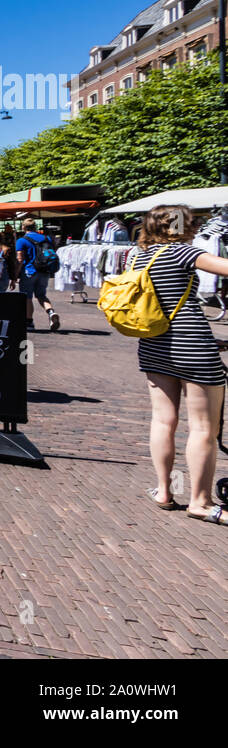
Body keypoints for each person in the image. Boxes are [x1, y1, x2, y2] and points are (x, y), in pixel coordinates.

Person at [131, 205, 228, 525]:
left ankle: (164, 491)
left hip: (154, 343)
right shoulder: (182, 252)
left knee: (163, 421)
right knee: (203, 428)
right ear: (182, 225)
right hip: (193, 346)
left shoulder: (137, 256)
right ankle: (200, 502)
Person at [15, 218, 61, 331]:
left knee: (27, 297)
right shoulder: (47, 239)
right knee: (41, 295)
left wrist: (16, 274)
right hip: (44, 271)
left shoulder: (22, 240)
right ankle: (51, 312)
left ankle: (29, 322)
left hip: (29, 271)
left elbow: (20, 259)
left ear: (23, 227)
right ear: (35, 227)